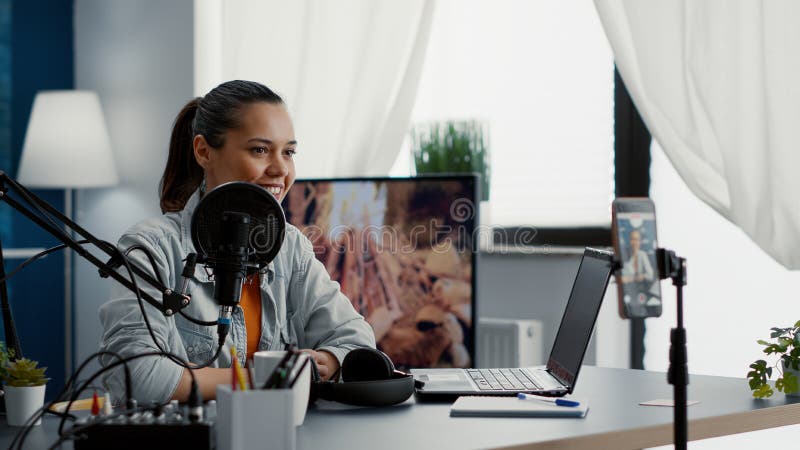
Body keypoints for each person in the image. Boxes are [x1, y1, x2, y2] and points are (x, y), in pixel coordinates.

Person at [98, 80, 376, 404]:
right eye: (259, 149)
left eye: (289, 152)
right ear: (203, 151)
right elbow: (136, 377)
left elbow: (357, 341)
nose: (280, 169)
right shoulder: (150, 249)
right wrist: (271, 376)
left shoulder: (290, 247)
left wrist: (326, 361)